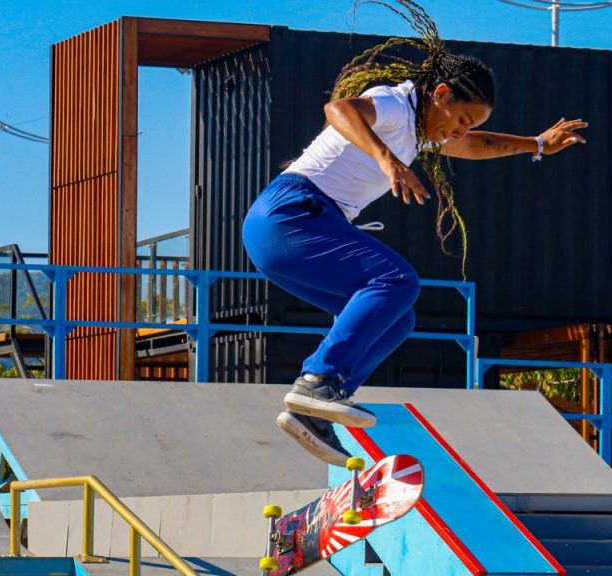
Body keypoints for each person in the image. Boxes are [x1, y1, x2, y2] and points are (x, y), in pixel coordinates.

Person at [241, 0, 587, 466]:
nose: (455, 133)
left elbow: (476, 145)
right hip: (291, 215)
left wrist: (538, 145)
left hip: (287, 236)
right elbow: (339, 108)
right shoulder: (394, 103)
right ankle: (317, 380)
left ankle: (315, 411)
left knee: (397, 318)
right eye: (459, 119)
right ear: (440, 94)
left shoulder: (420, 132)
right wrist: (388, 162)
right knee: (397, 281)